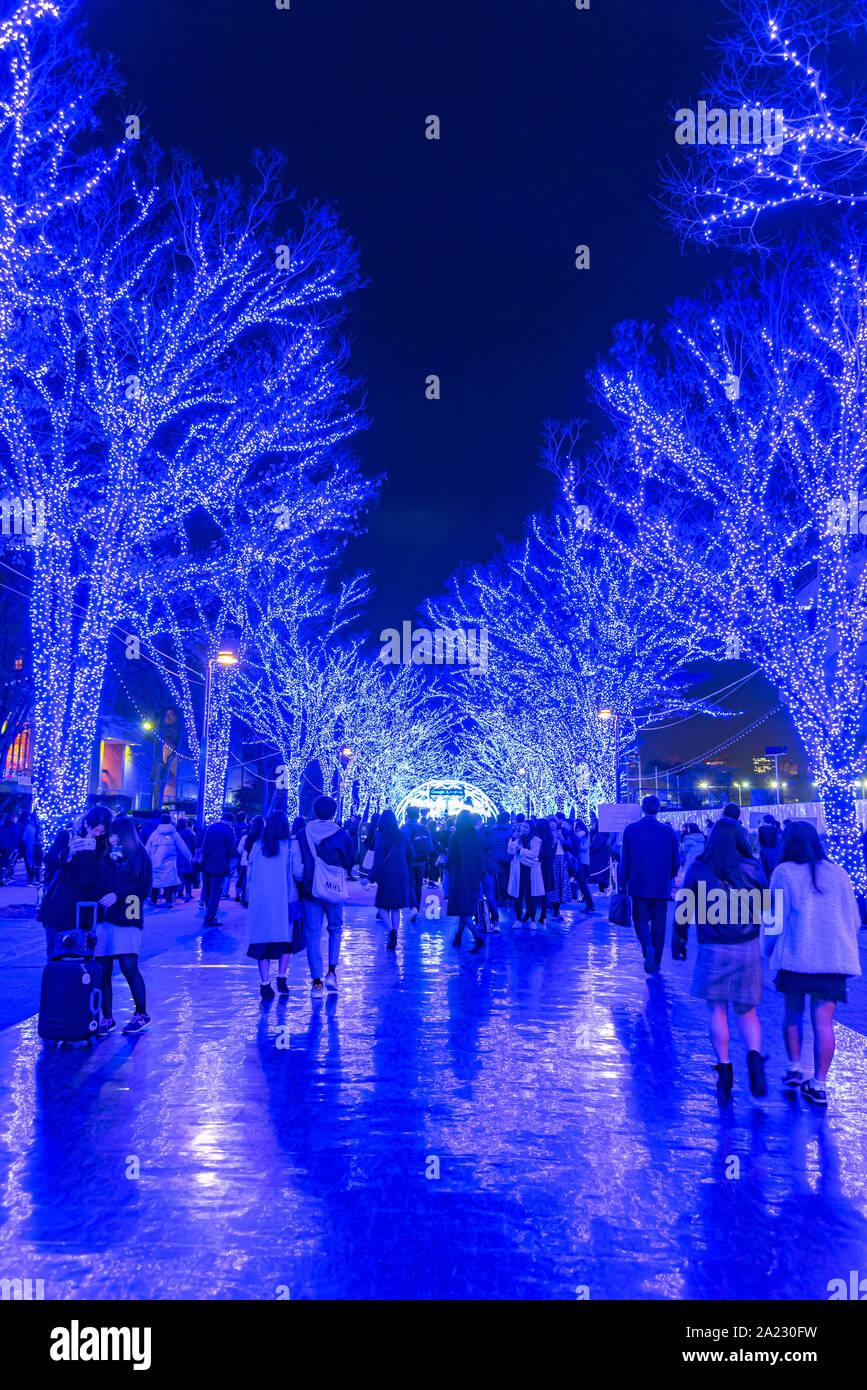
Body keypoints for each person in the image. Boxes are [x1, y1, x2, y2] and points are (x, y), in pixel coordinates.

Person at [767, 822, 862, 1106]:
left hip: (796, 956)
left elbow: (775, 918)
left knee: (793, 1013)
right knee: (824, 1024)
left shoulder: (784, 872)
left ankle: (794, 1067)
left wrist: (767, 949)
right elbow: (853, 918)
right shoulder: (839, 874)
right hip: (831, 960)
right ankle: (819, 1084)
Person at [680, 819, 768, 1101]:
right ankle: (754, 1059)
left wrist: (678, 942)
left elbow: (684, 908)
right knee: (747, 1011)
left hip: (712, 946)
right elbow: (767, 907)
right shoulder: (752, 867)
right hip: (747, 946)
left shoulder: (698, 868)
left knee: (717, 1010)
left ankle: (725, 1069)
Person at [95, 817, 153, 1036]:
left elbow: (143, 888)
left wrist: (117, 894)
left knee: (129, 967)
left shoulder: (140, 856)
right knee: (103, 971)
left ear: (123, 834)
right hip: (104, 919)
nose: (111, 837)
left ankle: (141, 1013)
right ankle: (107, 1018)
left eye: (114, 834)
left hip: (128, 919)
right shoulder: (109, 855)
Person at [292, 795, 354, 995]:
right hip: (333, 888)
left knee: (313, 934)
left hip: (311, 889)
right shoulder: (342, 835)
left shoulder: (303, 833)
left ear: (314, 811)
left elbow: (297, 863)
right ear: (333, 812)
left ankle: (316, 982)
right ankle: (332, 974)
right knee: (335, 929)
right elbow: (350, 861)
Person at [38, 805, 113, 957]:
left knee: (83, 960)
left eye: (102, 832)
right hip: (59, 907)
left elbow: (105, 876)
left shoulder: (105, 845)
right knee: (55, 956)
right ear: (86, 823)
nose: (97, 834)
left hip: (86, 910)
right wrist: (69, 852)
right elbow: (49, 859)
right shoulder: (67, 837)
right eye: (95, 830)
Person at [618, 795, 680, 974]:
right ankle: (657, 962)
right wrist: (671, 875)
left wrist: (622, 883)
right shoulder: (668, 831)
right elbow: (676, 859)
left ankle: (648, 947)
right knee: (660, 924)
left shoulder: (631, 830)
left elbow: (625, 860)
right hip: (661, 884)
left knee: (640, 920)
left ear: (642, 808)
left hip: (638, 882)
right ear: (659, 809)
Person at [246, 811, 295, 1000]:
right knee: (286, 941)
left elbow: (250, 875)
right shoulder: (289, 847)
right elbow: (294, 873)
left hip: (260, 903)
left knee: (262, 943)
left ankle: (264, 983)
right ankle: (282, 975)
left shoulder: (258, 848)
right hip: (283, 902)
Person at [370, 808, 414, 949]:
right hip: (401, 874)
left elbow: (377, 861)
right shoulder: (402, 835)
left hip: (386, 875)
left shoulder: (380, 837)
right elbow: (411, 854)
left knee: (382, 906)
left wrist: (370, 878)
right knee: (396, 908)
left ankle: (391, 931)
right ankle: (395, 931)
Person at [447, 809, 485, 951]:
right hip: (474, 875)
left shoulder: (455, 836)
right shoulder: (476, 836)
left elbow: (452, 858)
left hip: (459, 876)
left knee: (463, 909)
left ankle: (477, 937)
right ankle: (458, 936)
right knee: (466, 906)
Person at [198, 810, 236, 926]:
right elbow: (231, 850)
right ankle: (210, 918)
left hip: (205, 864)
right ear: (230, 821)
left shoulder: (208, 828)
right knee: (216, 892)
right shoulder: (228, 831)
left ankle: (208, 912)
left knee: (208, 890)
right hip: (219, 865)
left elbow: (198, 842)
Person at [145, 812, 191, 907]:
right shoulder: (174, 833)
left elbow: (148, 848)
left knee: (156, 880)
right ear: (170, 821)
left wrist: (145, 859)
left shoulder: (155, 834)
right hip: (170, 862)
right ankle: (169, 901)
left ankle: (153, 900)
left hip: (155, 861)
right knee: (169, 881)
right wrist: (189, 857)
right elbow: (182, 846)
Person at [508, 821, 543, 923]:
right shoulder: (517, 838)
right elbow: (510, 851)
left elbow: (534, 854)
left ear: (531, 829)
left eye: (526, 827)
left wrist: (520, 850)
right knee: (517, 895)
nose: (524, 829)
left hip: (531, 871)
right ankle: (518, 919)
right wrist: (513, 839)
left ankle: (532, 920)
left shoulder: (536, 840)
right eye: (523, 826)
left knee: (531, 896)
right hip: (519, 870)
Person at [402, 806, 433, 923]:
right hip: (422, 861)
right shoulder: (424, 828)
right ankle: (417, 909)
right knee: (418, 885)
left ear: (407, 815)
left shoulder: (404, 828)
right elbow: (430, 847)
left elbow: (401, 845)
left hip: (409, 861)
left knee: (409, 884)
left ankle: (413, 907)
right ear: (418, 815)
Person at [237, 815, 264, 907]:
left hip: (248, 861)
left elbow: (245, 848)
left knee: (247, 880)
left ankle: (246, 898)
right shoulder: (264, 835)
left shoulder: (249, 836)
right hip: (261, 861)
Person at [490, 811, 513, 906]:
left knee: (500, 879)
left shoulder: (493, 831)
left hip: (497, 858)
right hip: (508, 858)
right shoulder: (510, 830)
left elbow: (491, 844)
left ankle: (502, 898)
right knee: (510, 879)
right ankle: (510, 899)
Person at [176, 816, 196, 900]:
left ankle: (178, 892)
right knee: (188, 877)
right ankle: (188, 894)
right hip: (188, 857)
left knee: (179, 876)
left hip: (177, 858)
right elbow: (194, 846)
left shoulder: (175, 834)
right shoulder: (191, 834)